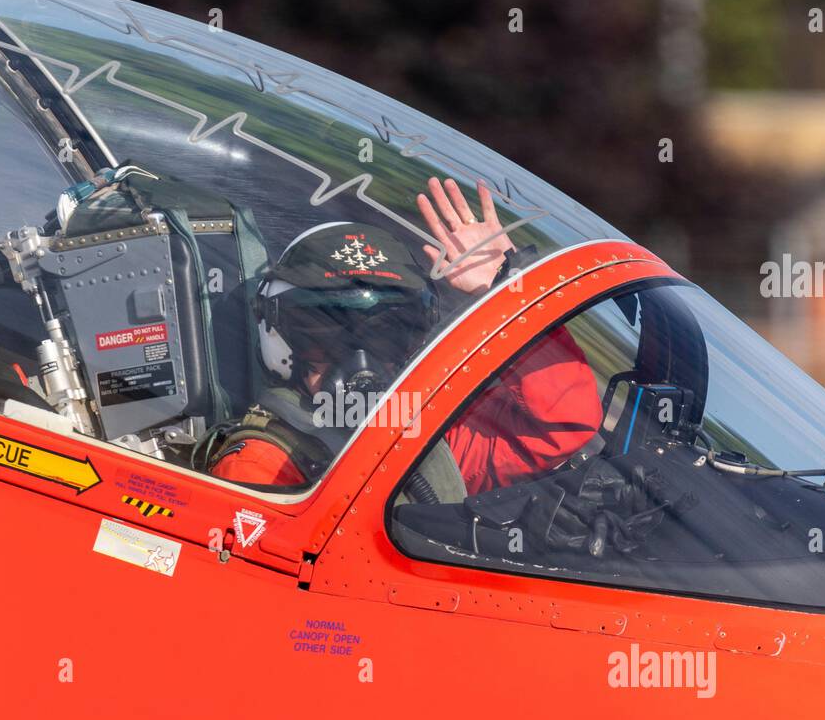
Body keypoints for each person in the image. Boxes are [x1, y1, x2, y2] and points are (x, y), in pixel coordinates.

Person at [206, 178, 601, 493]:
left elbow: (563, 422)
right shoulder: (263, 465)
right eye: (326, 334)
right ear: (279, 337)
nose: (359, 361)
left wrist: (508, 290)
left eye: (385, 335)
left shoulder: (426, 441)